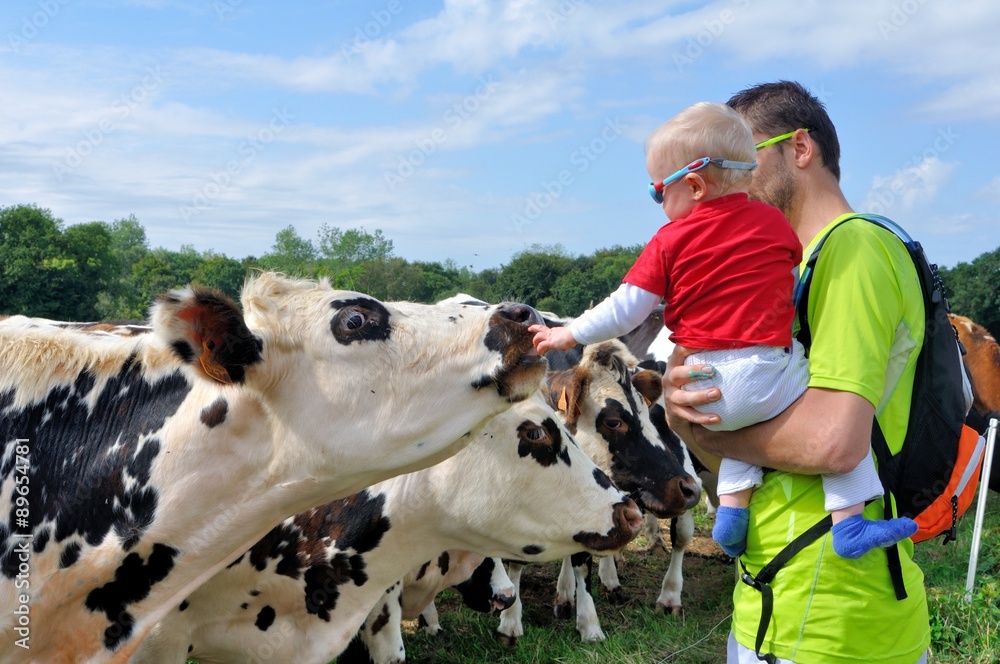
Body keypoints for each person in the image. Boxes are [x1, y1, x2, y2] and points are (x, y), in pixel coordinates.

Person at [529, 101, 915, 561]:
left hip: (706, 389)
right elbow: (785, 281)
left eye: (656, 191)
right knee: (794, 369)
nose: (657, 201)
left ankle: (731, 514)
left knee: (765, 419)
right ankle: (847, 520)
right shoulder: (778, 230)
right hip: (776, 563)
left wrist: (569, 334)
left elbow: (833, 442)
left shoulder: (852, 248)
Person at [662, 82, 931, 663]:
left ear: (800, 149)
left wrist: (710, 433)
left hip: (837, 620)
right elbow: (748, 456)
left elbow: (834, 443)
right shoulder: (788, 265)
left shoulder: (855, 249)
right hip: (769, 604)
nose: (726, 180)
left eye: (742, 157)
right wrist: (689, 411)